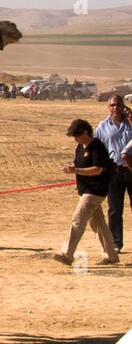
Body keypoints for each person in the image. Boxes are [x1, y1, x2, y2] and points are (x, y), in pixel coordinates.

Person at [54, 119, 119, 266]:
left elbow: (97, 169)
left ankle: (67, 254)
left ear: (85, 133)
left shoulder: (97, 147)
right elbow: (78, 164)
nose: (75, 139)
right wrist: (71, 168)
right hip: (85, 190)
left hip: (95, 191)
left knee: (78, 219)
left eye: (76, 136)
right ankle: (111, 255)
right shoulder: (80, 147)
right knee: (98, 224)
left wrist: (75, 171)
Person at [95, 96, 131, 251]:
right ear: (108, 107)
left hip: (131, 168)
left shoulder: (130, 123)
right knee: (114, 209)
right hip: (114, 170)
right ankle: (116, 243)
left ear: (124, 106)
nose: (116, 108)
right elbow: (98, 148)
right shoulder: (103, 126)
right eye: (113, 105)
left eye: (118, 105)